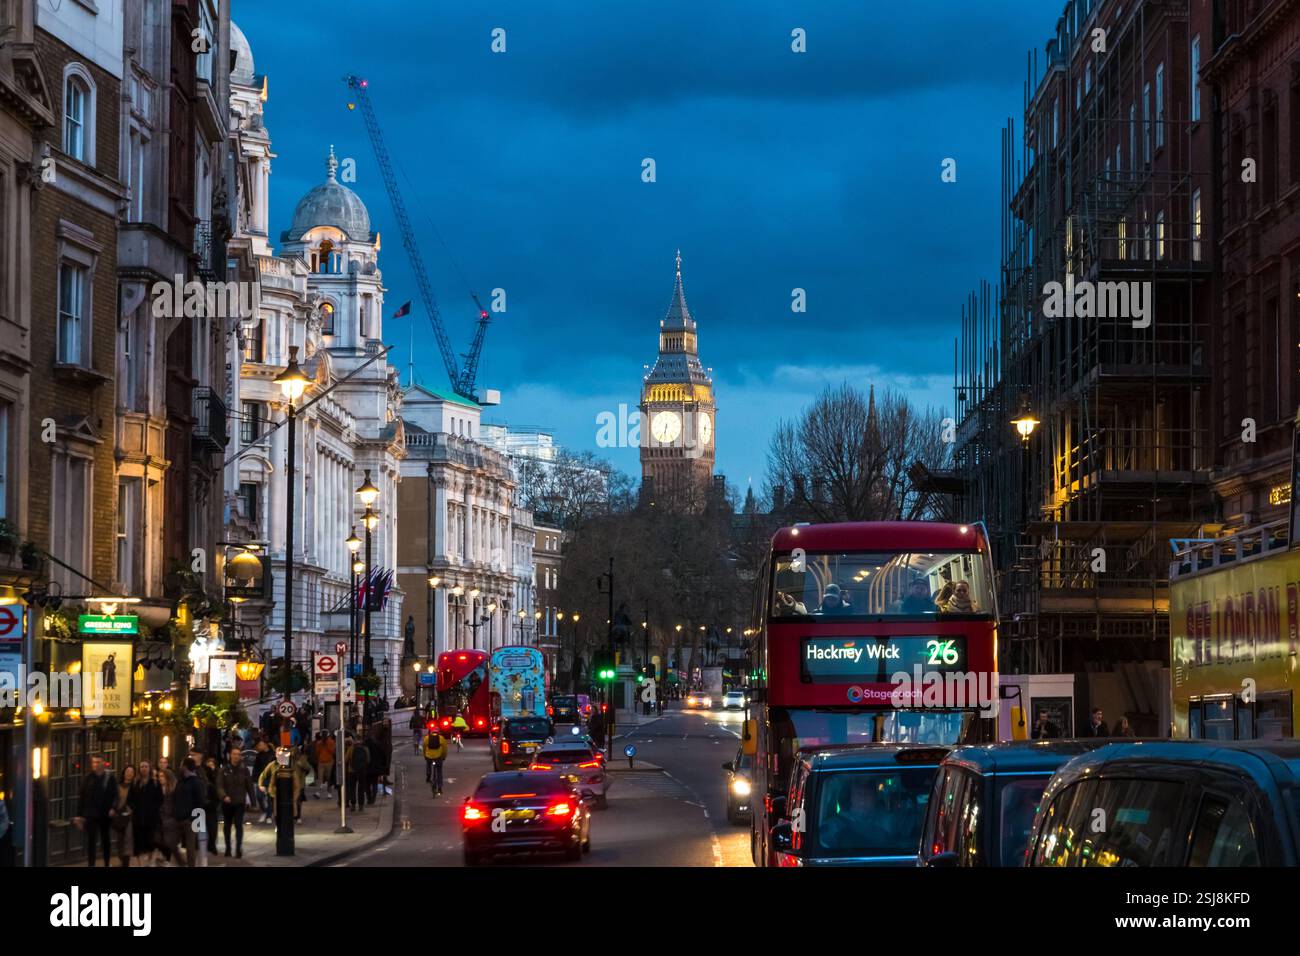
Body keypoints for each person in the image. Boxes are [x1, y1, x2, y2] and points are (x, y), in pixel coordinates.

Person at [73, 754, 117, 867]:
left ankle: (107, 863)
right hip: (91, 814)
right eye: (94, 762)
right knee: (91, 841)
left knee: (105, 839)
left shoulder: (109, 777)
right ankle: (91, 864)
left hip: (105, 814)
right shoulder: (87, 778)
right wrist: (79, 814)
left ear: (103, 763)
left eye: (98, 762)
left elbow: (115, 794)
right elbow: (82, 796)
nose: (96, 765)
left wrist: (113, 807)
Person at [217, 747, 257, 858]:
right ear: (230, 755)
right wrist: (224, 796)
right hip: (227, 802)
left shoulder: (244, 770)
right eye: (234, 754)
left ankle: (238, 848)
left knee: (239, 825)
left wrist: (253, 802)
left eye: (238, 754)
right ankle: (228, 848)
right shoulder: (224, 769)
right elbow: (219, 785)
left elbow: (249, 786)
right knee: (227, 826)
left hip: (239, 801)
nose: (236, 756)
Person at [128, 760, 162, 866]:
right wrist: (134, 808)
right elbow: (130, 799)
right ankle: (141, 864)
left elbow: (160, 799)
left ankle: (151, 861)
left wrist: (153, 809)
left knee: (150, 841)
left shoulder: (155, 783)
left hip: (150, 818)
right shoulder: (135, 783)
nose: (144, 768)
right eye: (142, 766)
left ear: (149, 768)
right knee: (138, 842)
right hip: (138, 818)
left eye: (146, 766)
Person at [173, 758, 206, 867]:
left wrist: (193, 819)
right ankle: (182, 863)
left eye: (181, 764)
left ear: (185, 767)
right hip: (178, 818)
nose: (180, 767)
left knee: (190, 848)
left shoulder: (196, 782)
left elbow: (200, 802)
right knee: (171, 843)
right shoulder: (181, 781)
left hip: (190, 821)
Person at [112, 765, 135, 867]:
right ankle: (122, 859)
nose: (129, 773)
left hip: (130, 817)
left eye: (131, 772)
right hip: (119, 815)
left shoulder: (135, 787)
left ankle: (125, 863)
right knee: (120, 840)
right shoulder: (118, 786)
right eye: (127, 771)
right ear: (124, 773)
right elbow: (114, 800)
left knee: (127, 840)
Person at [346, 735, 370, 812]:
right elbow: (368, 760)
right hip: (362, 771)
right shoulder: (365, 749)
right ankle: (361, 806)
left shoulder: (351, 748)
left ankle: (353, 805)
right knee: (361, 789)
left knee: (352, 788)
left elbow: (346, 759)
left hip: (352, 771)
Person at [423, 728, 448, 794]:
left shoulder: (427, 738)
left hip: (429, 756)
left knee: (428, 764)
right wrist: (443, 757)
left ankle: (428, 776)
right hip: (438, 756)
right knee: (439, 771)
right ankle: (440, 787)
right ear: (438, 733)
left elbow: (424, 747)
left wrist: (425, 755)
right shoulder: (441, 738)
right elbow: (445, 749)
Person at [364, 730, 385, 805]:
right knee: (374, 783)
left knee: (367, 784)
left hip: (366, 768)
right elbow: (383, 756)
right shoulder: (377, 744)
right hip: (376, 768)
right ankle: (373, 797)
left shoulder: (364, 745)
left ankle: (368, 798)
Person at [314, 732, 336, 798]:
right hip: (321, 762)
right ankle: (318, 792)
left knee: (329, 778)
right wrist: (321, 746)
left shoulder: (331, 742)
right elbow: (317, 752)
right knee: (320, 778)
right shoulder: (319, 743)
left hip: (329, 762)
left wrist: (326, 745)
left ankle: (329, 793)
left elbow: (332, 751)